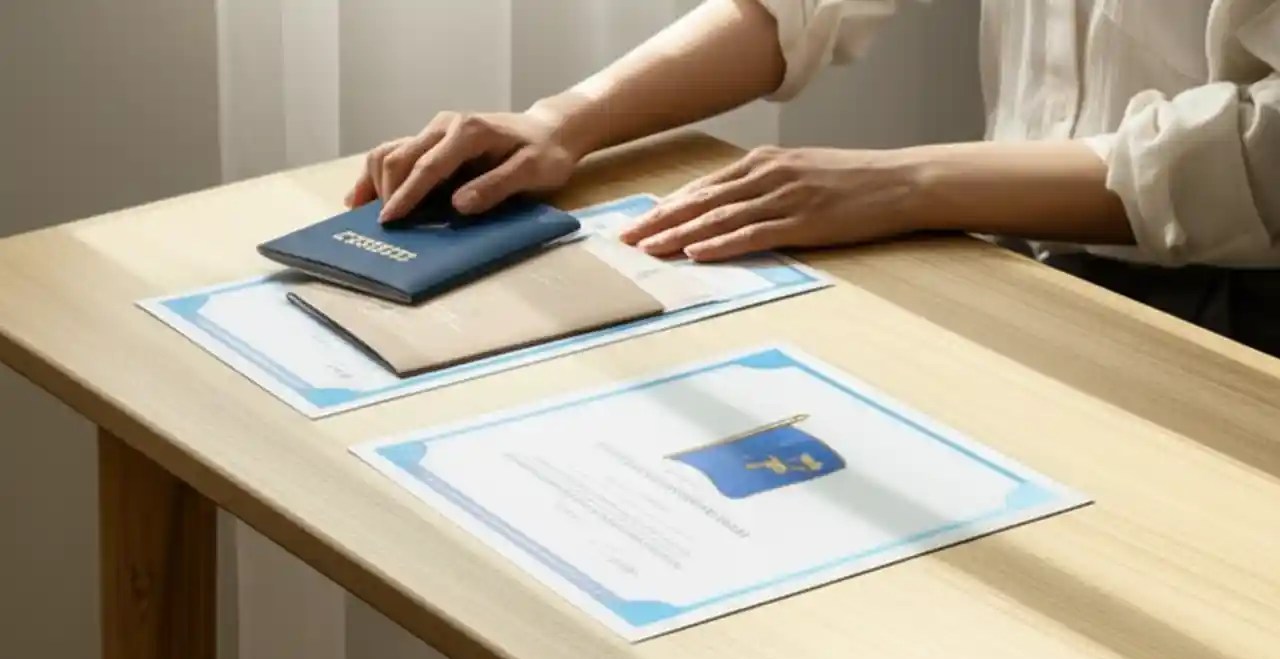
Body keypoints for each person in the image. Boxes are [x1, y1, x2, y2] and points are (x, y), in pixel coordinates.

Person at [345, 0, 1280, 356]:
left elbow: (1264, 156)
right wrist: (564, 119)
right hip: (1022, 271)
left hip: (1241, 321)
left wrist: (908, 184)